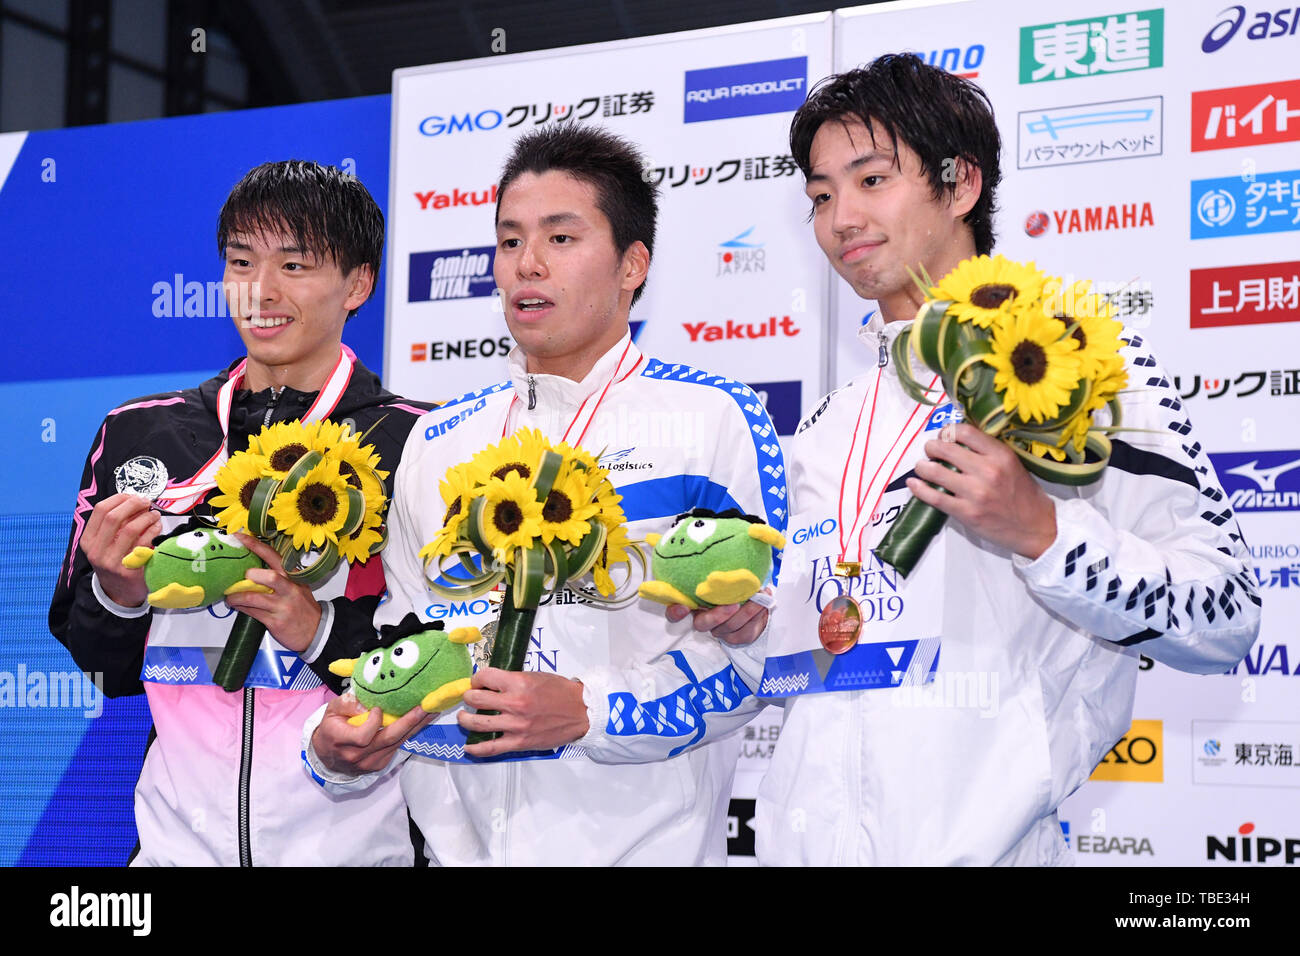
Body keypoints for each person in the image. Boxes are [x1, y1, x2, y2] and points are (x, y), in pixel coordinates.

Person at [739, 54, 1261, 865]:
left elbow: (1226, 615)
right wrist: (753, 625)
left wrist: (1045, 533)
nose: (840, 218)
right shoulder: (829, 425)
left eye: (871, 180)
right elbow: (825, 657)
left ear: (962, 185)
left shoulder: (1087, 367)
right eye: (819, 195)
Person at [304, 125, 784, 865]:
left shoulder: (712, 417)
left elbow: (762, 662)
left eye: (561, 239)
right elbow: (405, 651)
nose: (527, 264)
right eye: (509, 240)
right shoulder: (440, 443)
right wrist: (341, 748)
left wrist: (590, 710)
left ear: (633, 265)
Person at [49, 160, 434, 866]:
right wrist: (120, 594)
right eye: (241, 262)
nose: (262, 290)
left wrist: (316, 633)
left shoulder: (419, 441)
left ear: (359, 282)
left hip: (357, 846)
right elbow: (105, 668)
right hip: (172, 852)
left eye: (295, 263)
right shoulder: (140, 433)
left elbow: (443, 653)